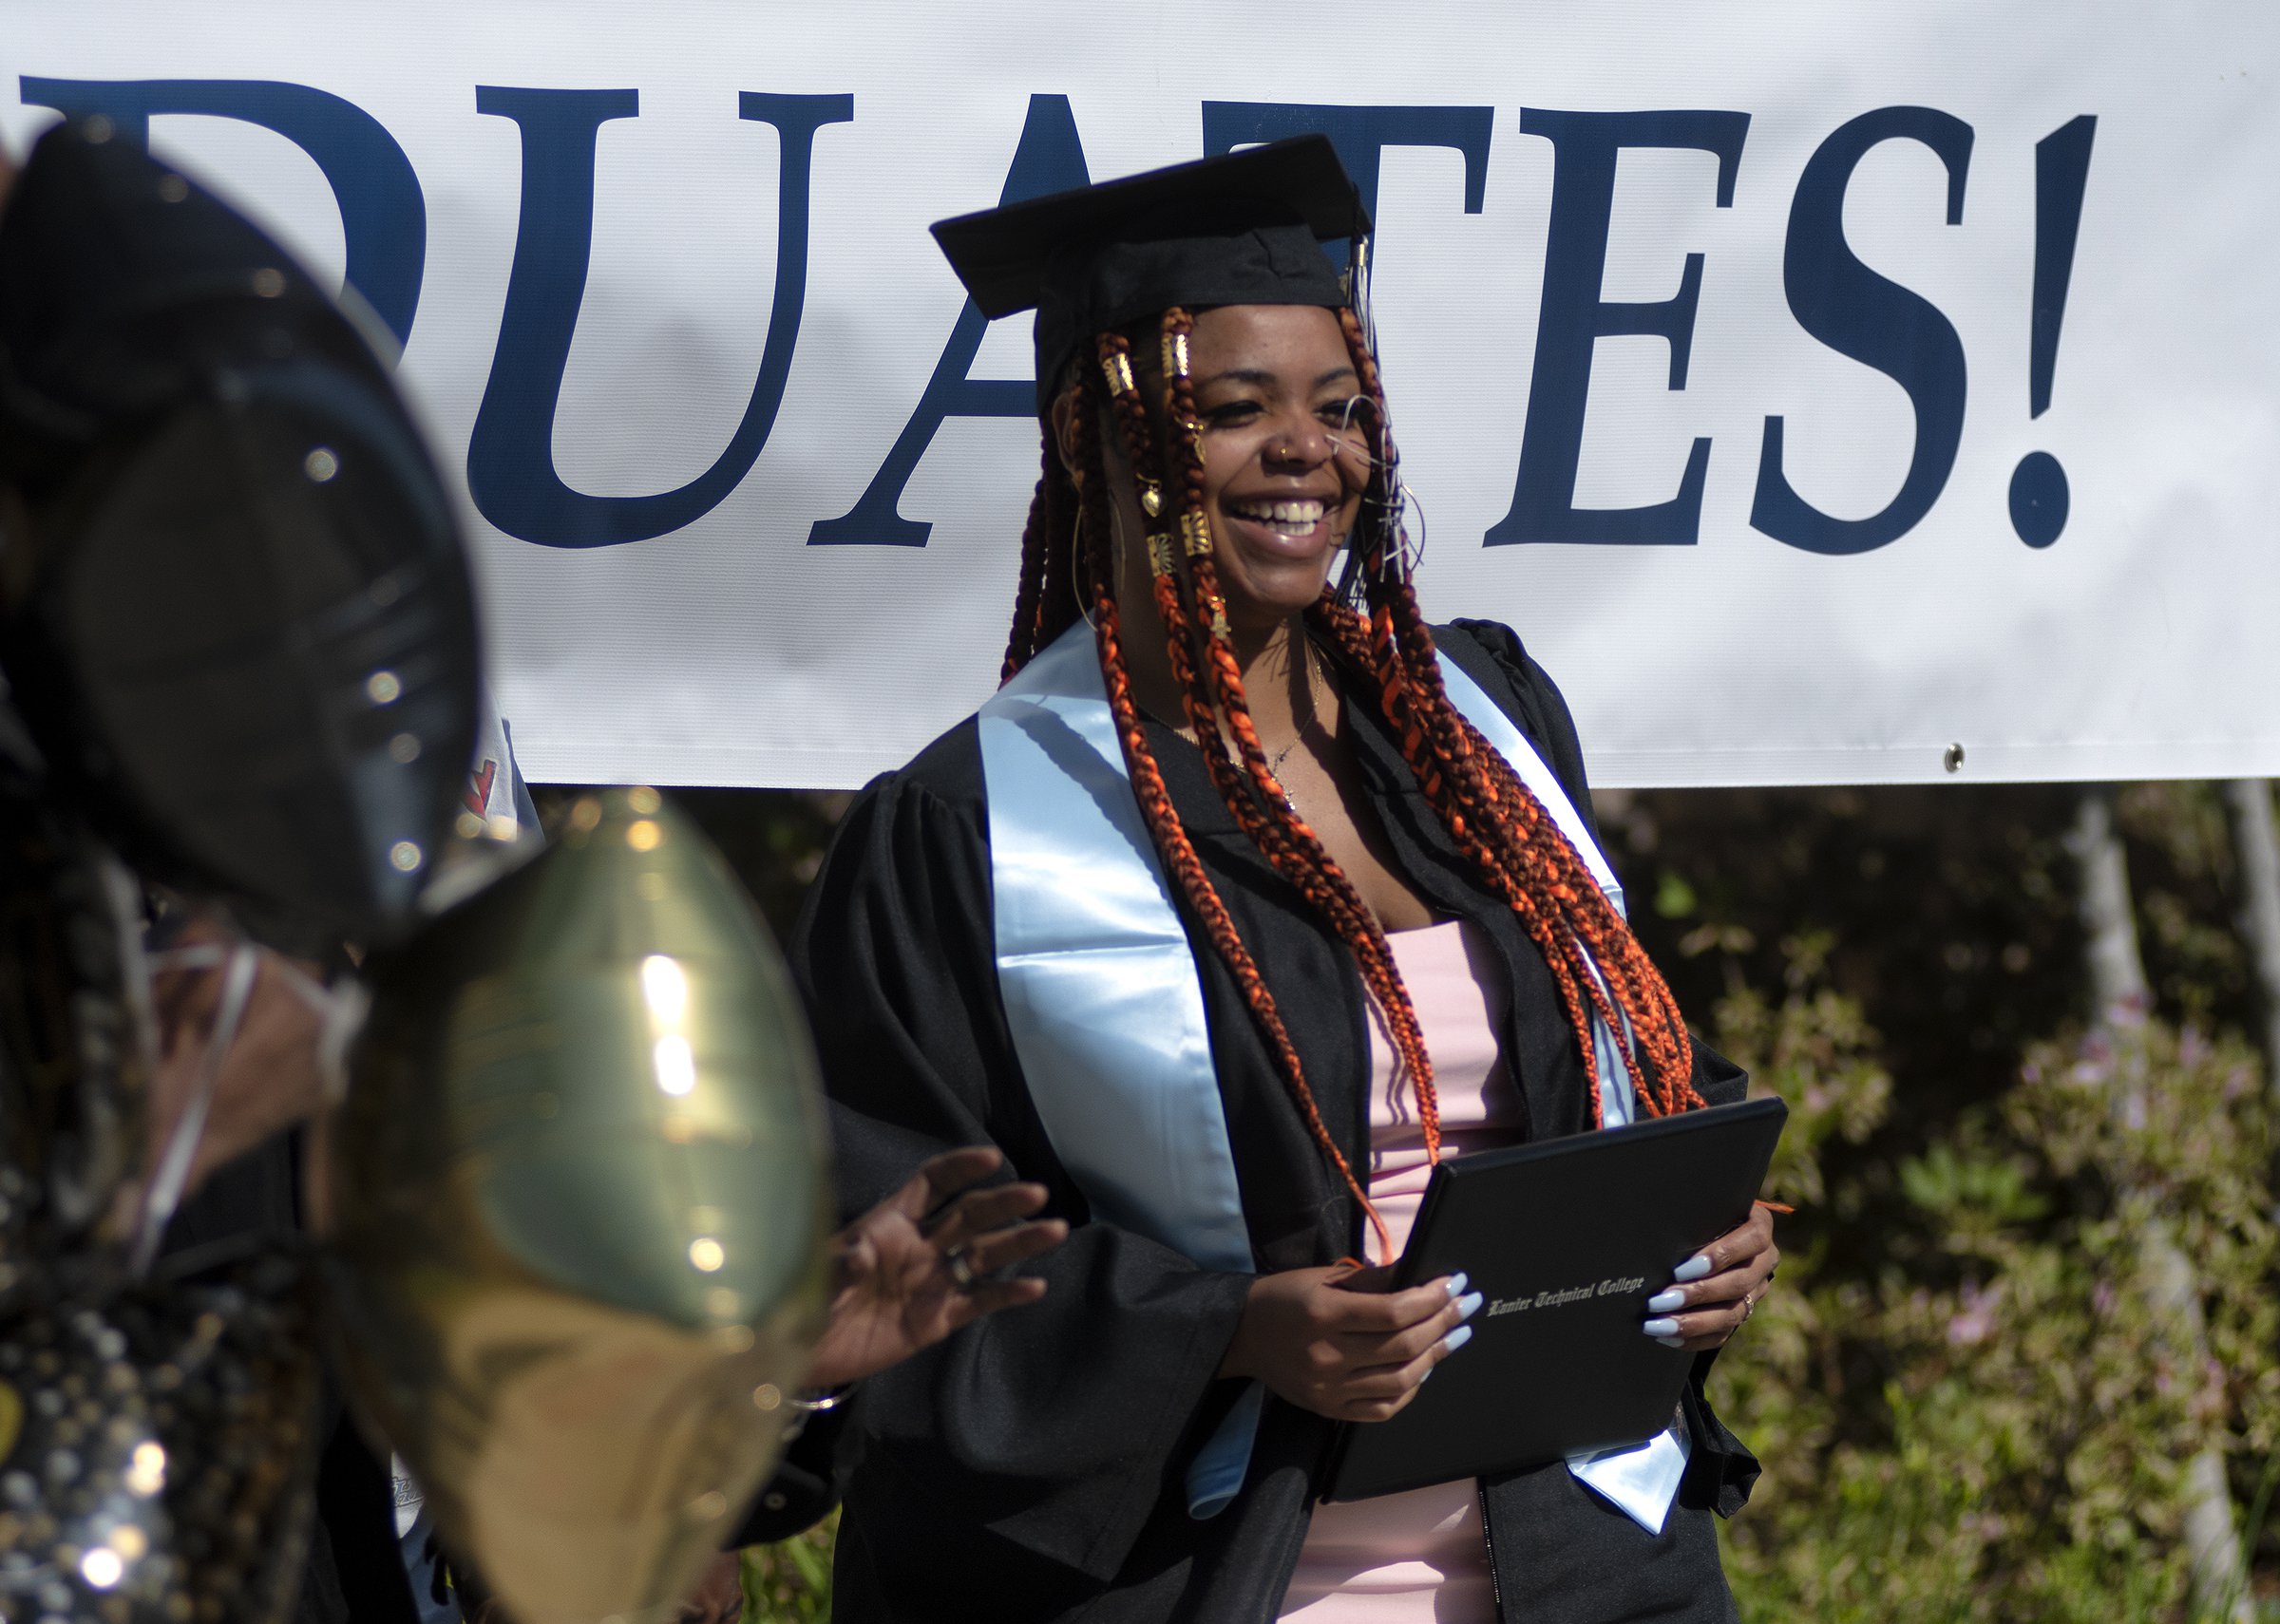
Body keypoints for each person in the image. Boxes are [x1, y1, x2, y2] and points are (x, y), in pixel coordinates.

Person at [792, 137, 1778, 1622]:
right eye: (1234, 409)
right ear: (1088, 434)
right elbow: (882, 1271)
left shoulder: (1478, 725)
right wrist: (1231, 1330)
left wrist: (1710, 1221)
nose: (1305, 451)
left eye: (1338, 408)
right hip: (1214, 1575)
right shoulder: (972, 825)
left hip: (1579, 1563)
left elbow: (1633, 1061)